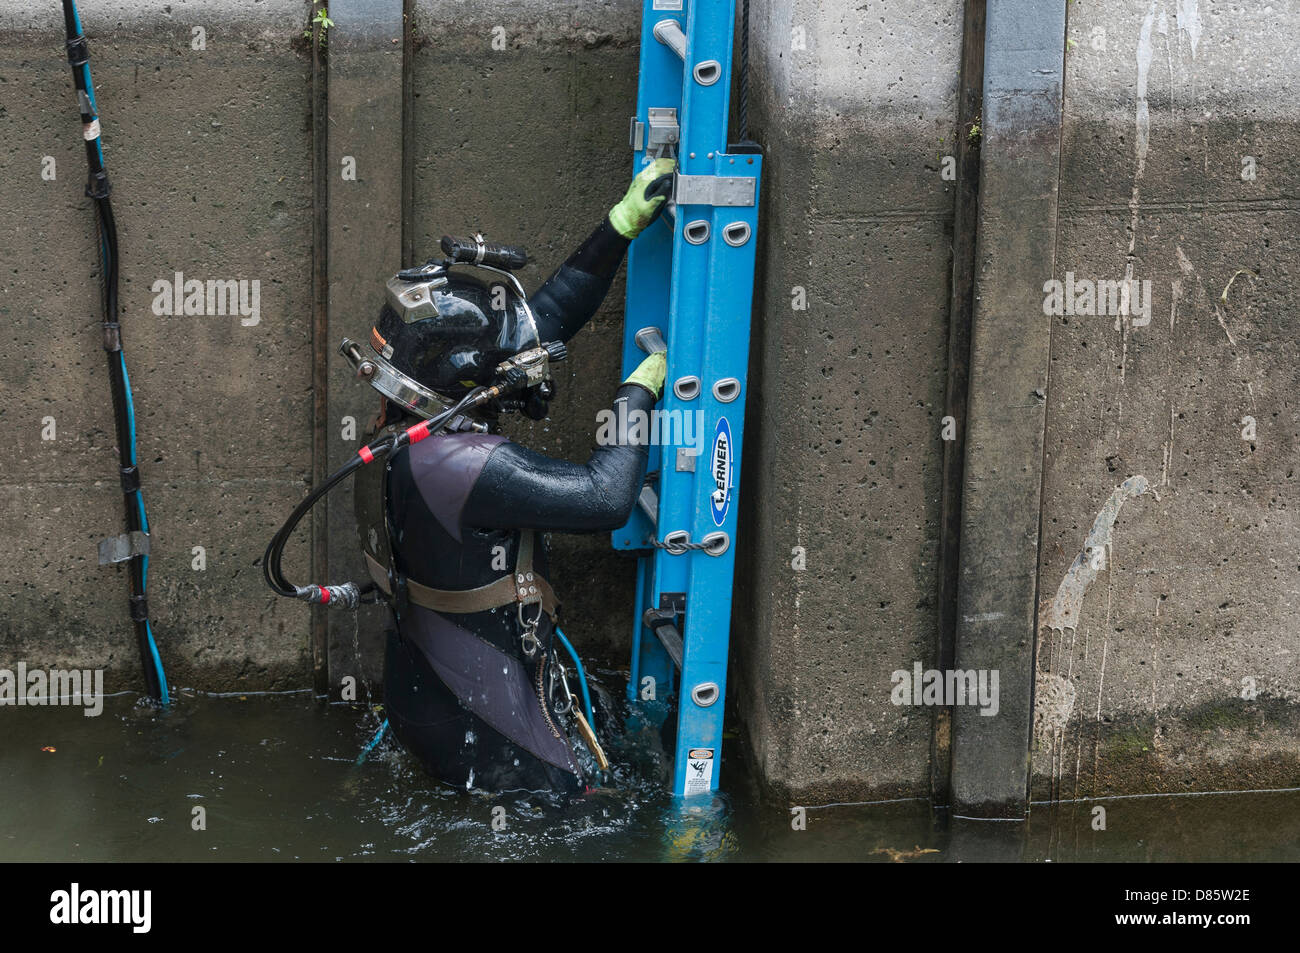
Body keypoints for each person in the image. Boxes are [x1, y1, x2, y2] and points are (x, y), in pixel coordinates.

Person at [352, 159, 676, 793]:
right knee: (596, 812)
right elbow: (605, 498)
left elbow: (539, 326)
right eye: (508, 366)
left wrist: (619, 227)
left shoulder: (399, 432)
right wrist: (636, 396)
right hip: (499, 754)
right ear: (466, 381)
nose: (527, 368)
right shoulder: (463, 465)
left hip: (428, 708)